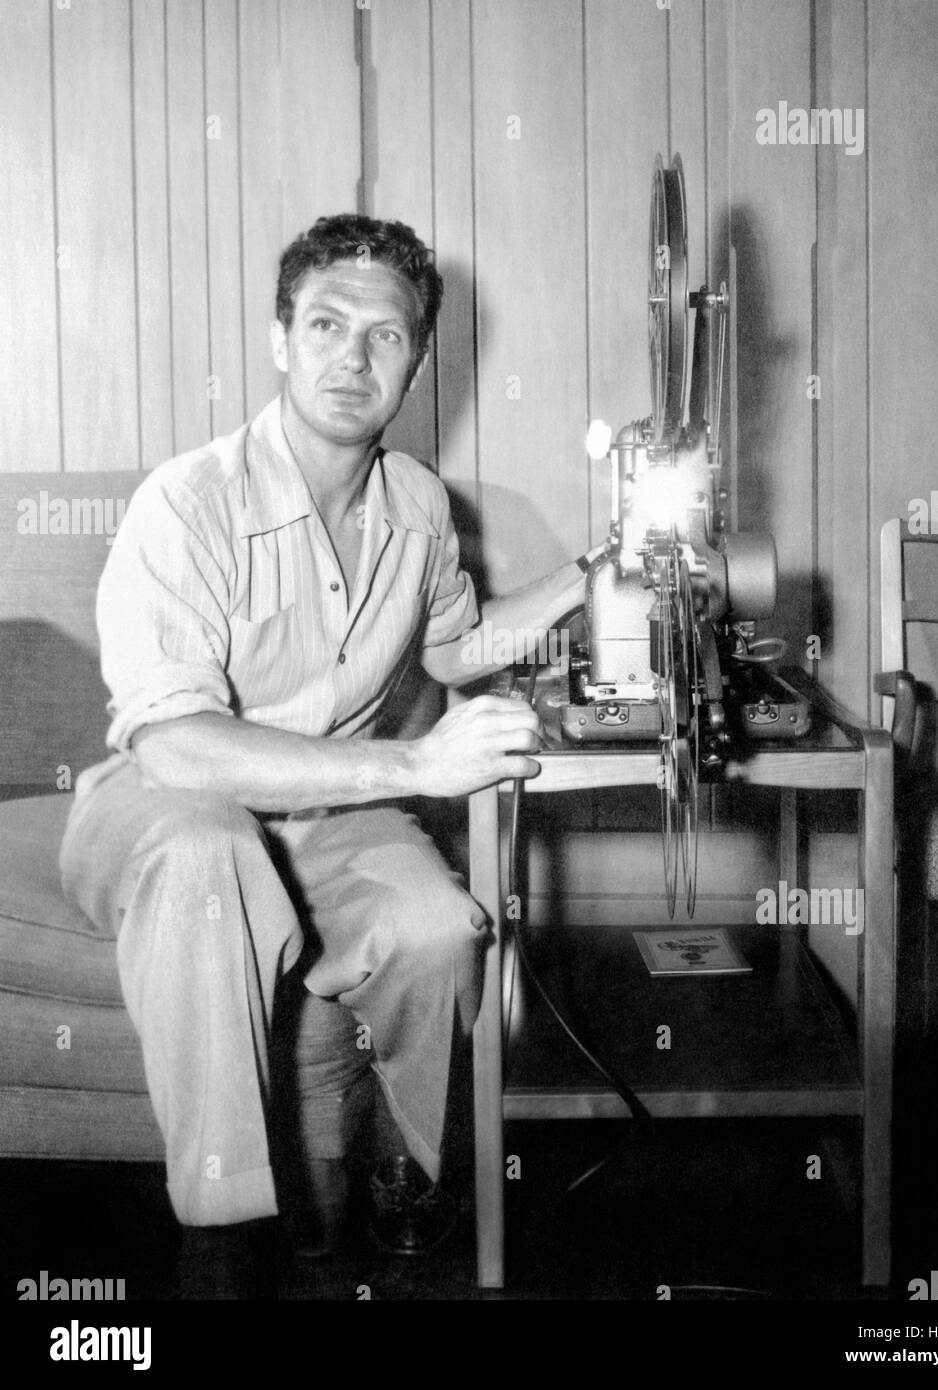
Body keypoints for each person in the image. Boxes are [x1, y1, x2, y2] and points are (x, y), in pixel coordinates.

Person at [59, 213, 594, 1298]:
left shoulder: (419, 508)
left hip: (329, 811)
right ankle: (220, 1233)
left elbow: (455, 642)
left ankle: (400, 1157)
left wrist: (601, 566)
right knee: (215, 862)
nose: (352, 357)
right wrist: (414, 768)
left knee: (439, 925)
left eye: (384, 335)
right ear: (278, 339)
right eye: (324, 324)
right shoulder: (188, 500)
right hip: (169, 801)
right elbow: (175, 738)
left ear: (416, 359)